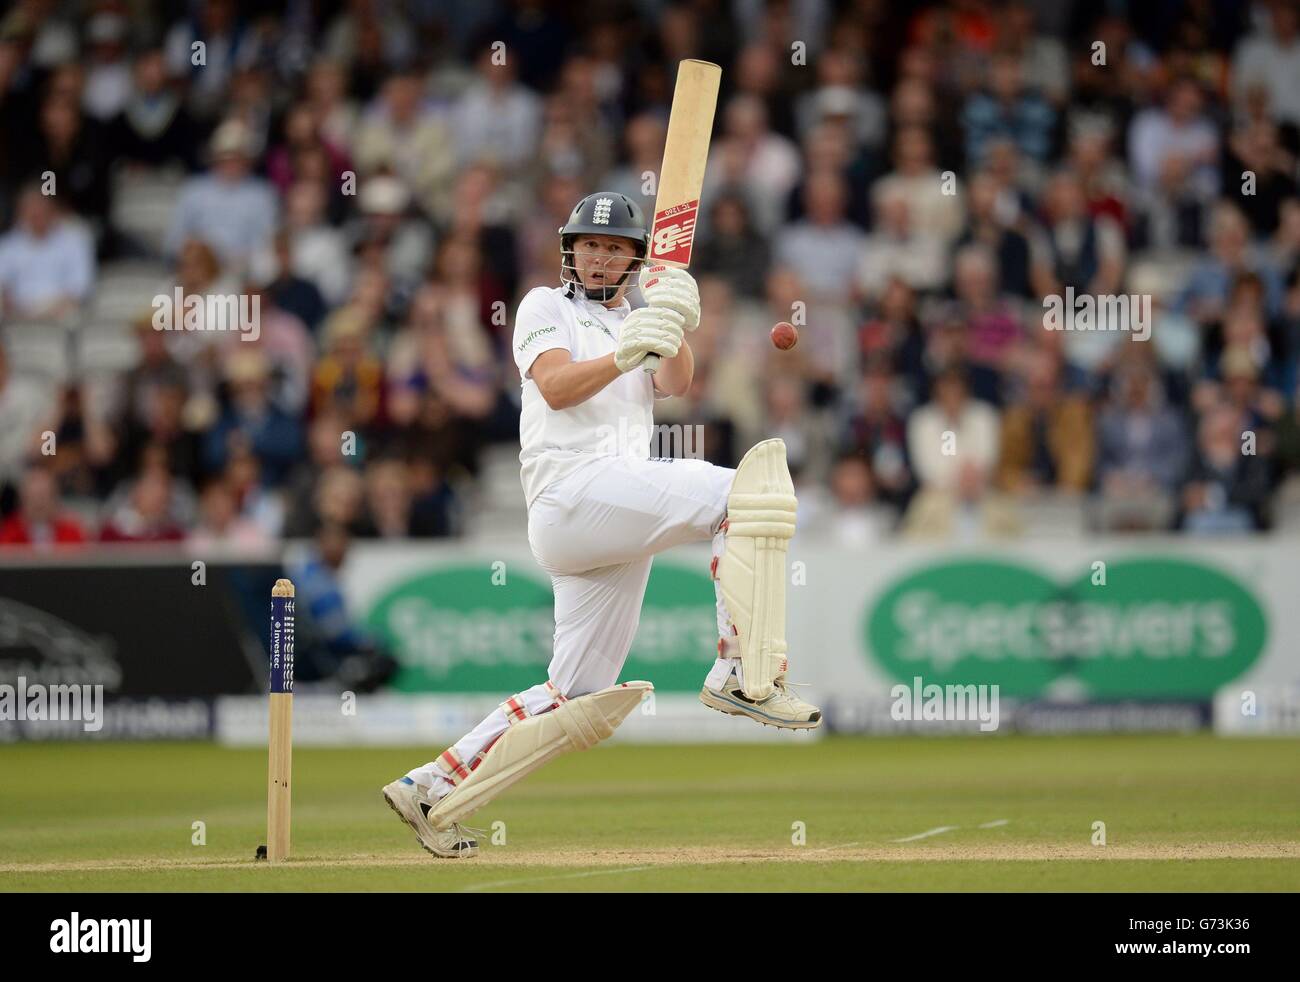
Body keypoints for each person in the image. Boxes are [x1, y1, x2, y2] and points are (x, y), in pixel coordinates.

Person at [382, 191, 820, 858]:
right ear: (570, 249)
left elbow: (675, 381)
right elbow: (555, 387)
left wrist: (673, 318)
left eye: (614, 247)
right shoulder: (542, 306)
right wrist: (621, 355)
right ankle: (740, 671)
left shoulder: (638, 318)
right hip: (570, 493)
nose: (598, 255)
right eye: (589, 243)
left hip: (614, 510)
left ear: (633, 259)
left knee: (576, 696)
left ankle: (431, 787)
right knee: (745, 494)